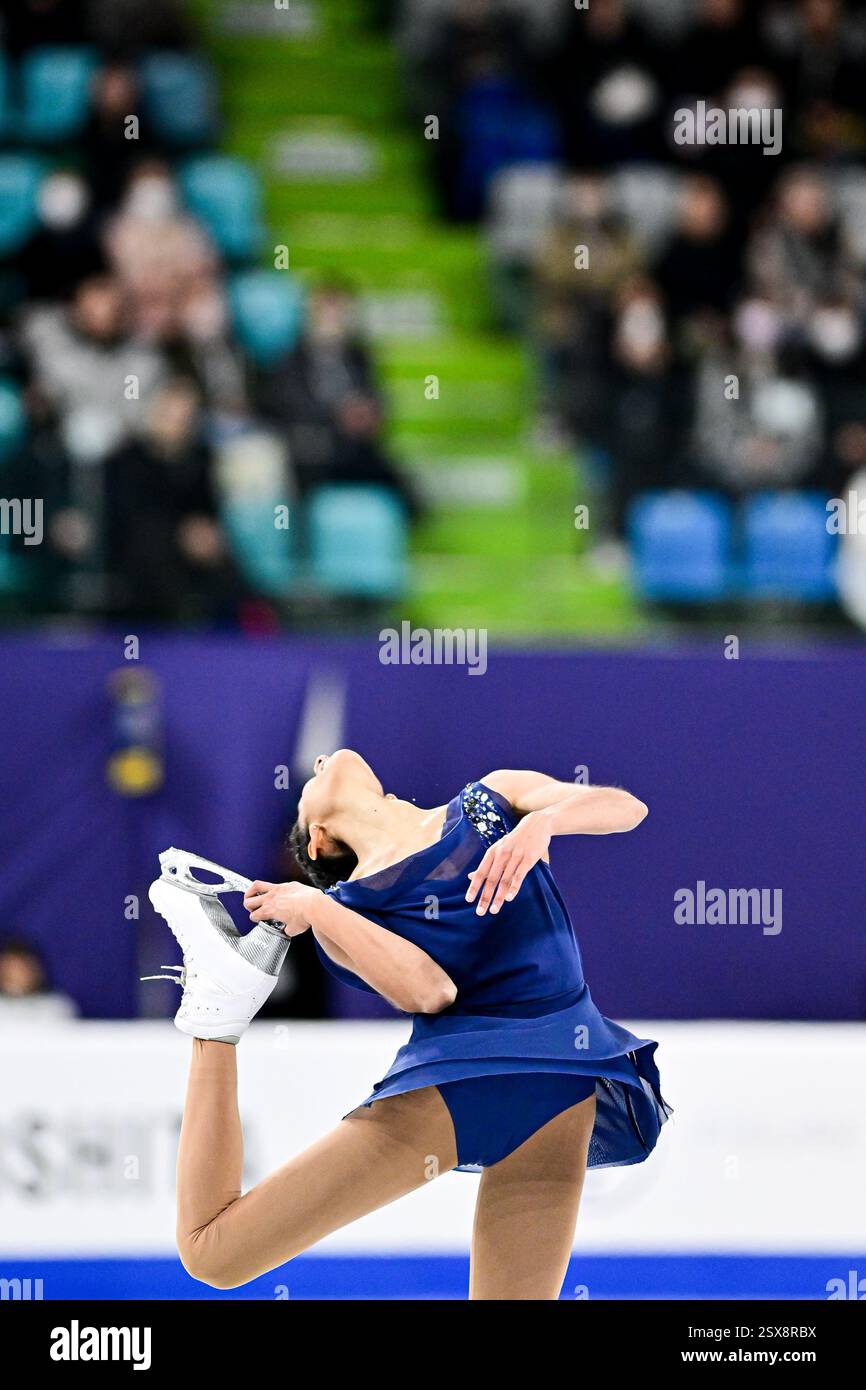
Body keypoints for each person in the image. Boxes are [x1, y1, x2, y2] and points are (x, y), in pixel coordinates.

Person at [147, 749, 670, 1300]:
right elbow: (428, 989)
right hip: (462, 1085)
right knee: (214, 1252)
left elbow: (626, 807)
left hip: (565, 1079)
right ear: (319, 837)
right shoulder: (346, 910)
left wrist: (546, 820)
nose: (322, 759)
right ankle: (216, 1021)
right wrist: (319, 906)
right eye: (310, 782)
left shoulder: (490, 798)